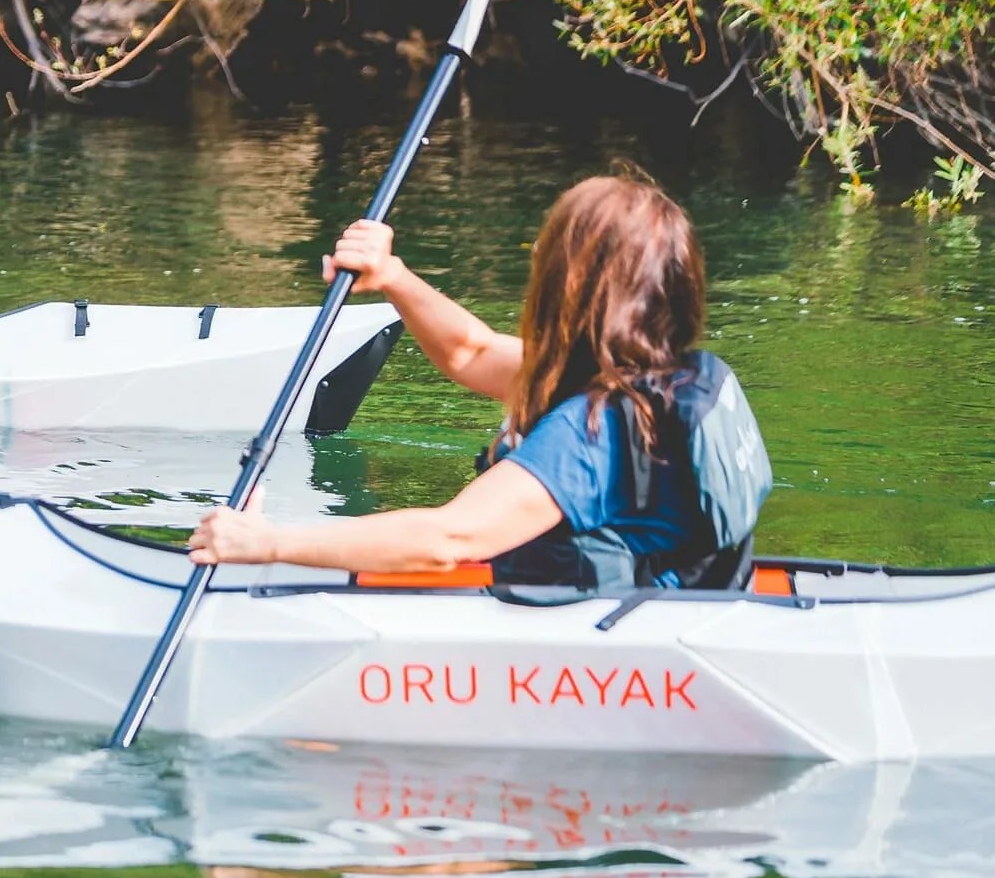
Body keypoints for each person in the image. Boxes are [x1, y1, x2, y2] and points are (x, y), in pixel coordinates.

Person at [189, 174, 773, 593]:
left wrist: (265, 544)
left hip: (607, 652)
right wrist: (393, 277)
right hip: (679, 614)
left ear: (569, 286)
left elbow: (450, 541)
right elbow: (470, 351)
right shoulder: (663, 377)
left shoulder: (593, 432)